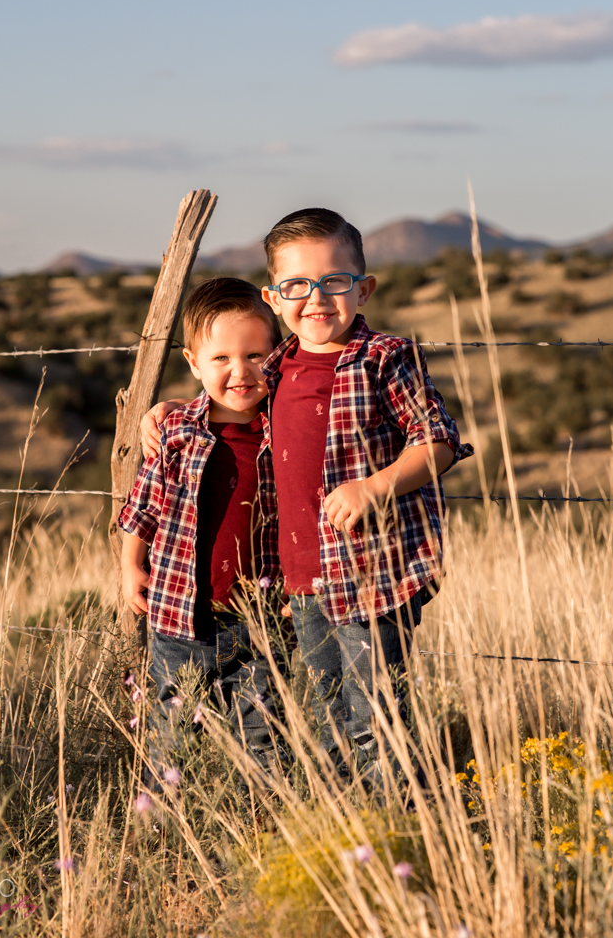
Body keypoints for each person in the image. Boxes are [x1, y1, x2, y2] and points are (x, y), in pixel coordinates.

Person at [141, 208, 472, 784]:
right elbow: (228, 386)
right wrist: (173, 411)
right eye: (297, 285)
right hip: (301, 586)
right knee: (323, 717)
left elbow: (438, 442)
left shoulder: (384, 358)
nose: (316, 299)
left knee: (376, 716)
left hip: (371, 576)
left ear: (363, 288)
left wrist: (375, 486)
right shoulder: (277, 364)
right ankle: (338, 828)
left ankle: (397, 827)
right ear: (273, 298)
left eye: (335, 282)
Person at [119, 276, 282, 786]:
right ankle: (163, 832)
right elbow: (145, 503)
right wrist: (130, 564)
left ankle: (257, 826)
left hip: (260, 620)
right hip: (178, 614)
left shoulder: (286, 428)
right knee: (172, 732)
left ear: (278, 354)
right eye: (221, 359)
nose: (241, 371)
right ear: (192, 362)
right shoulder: (178, 429)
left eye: (257, 355)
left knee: (262, 733)